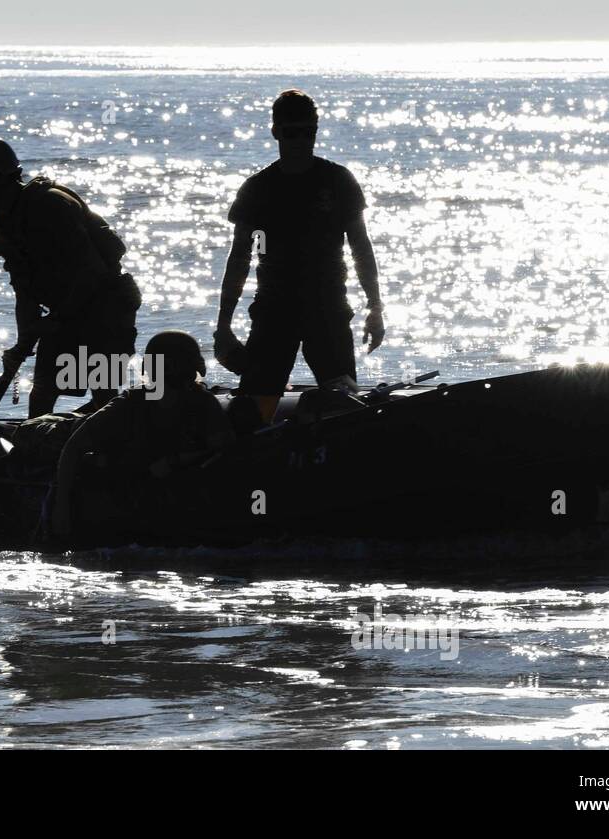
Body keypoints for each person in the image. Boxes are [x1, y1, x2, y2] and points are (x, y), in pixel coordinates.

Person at [213, 88, 384, 424]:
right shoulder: (259, 190)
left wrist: (375, 307)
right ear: (276, 131)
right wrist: (223, 326)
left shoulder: (336, 181)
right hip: (274, 309)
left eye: (309, 132)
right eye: (292, 133)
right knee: (255, 408)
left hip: (328, 307)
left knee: (344, 406)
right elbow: (240, 259)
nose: (301, 141)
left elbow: (361, 248)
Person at [0, 138, 141, 418]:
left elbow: (93, 272)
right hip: (65, 313)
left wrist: (56, 321)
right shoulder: (6, 220)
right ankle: (37, 447)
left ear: (0, 177)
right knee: (43, 391)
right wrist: (22, 345)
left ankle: (110, 444)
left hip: (107, 306)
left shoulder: (50, 205)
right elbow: (25, 292)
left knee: (102, 389)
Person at [48, 330, 235, 537]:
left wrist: (175, 461)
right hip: (67, 440)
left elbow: (222, 449)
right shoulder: (130, 404)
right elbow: (73, 447)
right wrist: (61, 507)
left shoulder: (202, 402)